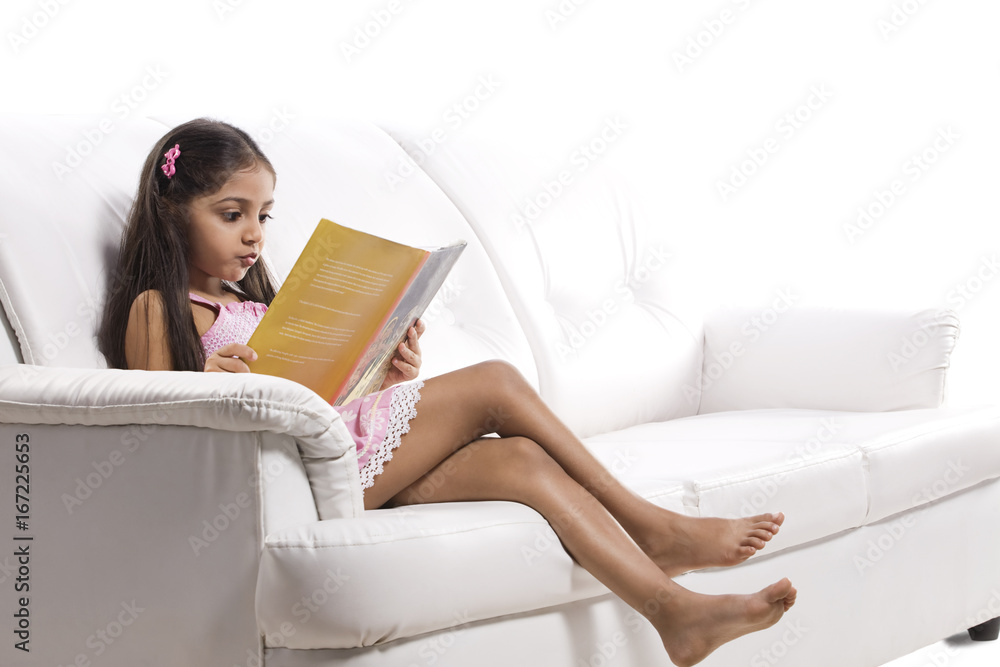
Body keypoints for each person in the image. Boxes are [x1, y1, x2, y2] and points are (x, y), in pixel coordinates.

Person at [97, 117, 796, 667]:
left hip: (346, 446)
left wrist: (381, 372)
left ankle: (674, 612)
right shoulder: (159, 309)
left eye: (263, 215)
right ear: (172, 212)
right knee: (495, 381)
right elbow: (152, 434)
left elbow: (315, 390)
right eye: (231, 214)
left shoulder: (254, 303)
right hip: (300, 479)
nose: (254, 234)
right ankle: (653, 525)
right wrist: (208, 387)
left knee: (522, 459)